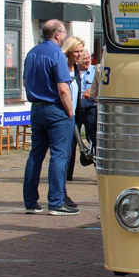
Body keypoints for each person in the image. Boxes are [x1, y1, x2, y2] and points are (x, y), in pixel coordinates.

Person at [22, 20, 78, 216]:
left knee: (35, 155)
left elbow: (25, 81)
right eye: (64, 32)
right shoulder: (57, 55)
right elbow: (63, 89)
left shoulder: (31, 53)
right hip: (56, 110)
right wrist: (70, 112)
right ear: (57, 34)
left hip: (36, 108)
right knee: (59, 156)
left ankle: (30, 202)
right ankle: (56, 202)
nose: (65, 36)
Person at [62, 37, 85, 187]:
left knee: (71, 149)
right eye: (76, 51)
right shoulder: (62, 67)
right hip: (64, 115)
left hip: (73, 115)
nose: (79, 55)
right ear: (69, 51)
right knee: (63, 152)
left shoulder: (75, 68)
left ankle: (65, 179)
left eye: (81, 51)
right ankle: (60, 183)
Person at [76, 49, 97, 167]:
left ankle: (98, 167)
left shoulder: (95, 71)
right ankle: (67, 174)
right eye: (84, 59)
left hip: (90, 110)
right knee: (71, 142)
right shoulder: (73, 71)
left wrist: (91, 91)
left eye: (89, 58)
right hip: (76, 109)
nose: (87, 61)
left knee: (95, 139)